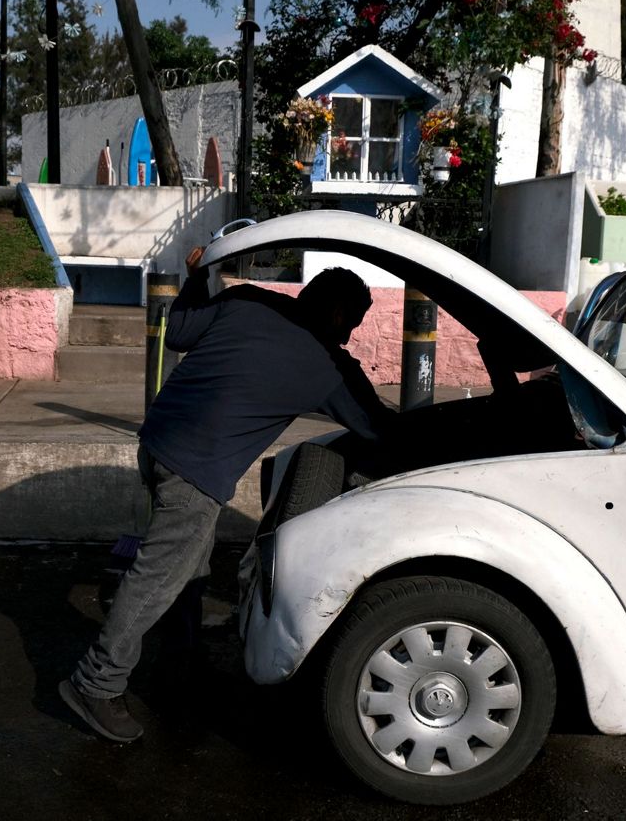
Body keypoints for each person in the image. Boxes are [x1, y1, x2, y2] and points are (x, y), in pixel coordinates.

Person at [59, 247, 396, 742]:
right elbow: (377, 430)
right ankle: (96, 682)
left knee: (190, 565)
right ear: (341, 313)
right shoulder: (329, 366)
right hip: (196, 471)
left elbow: (177, 332)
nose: (350, 335)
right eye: (354, 321)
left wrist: (199, 278)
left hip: (156, 446)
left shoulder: (248, 301)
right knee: (157, 576)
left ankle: (181, 664)